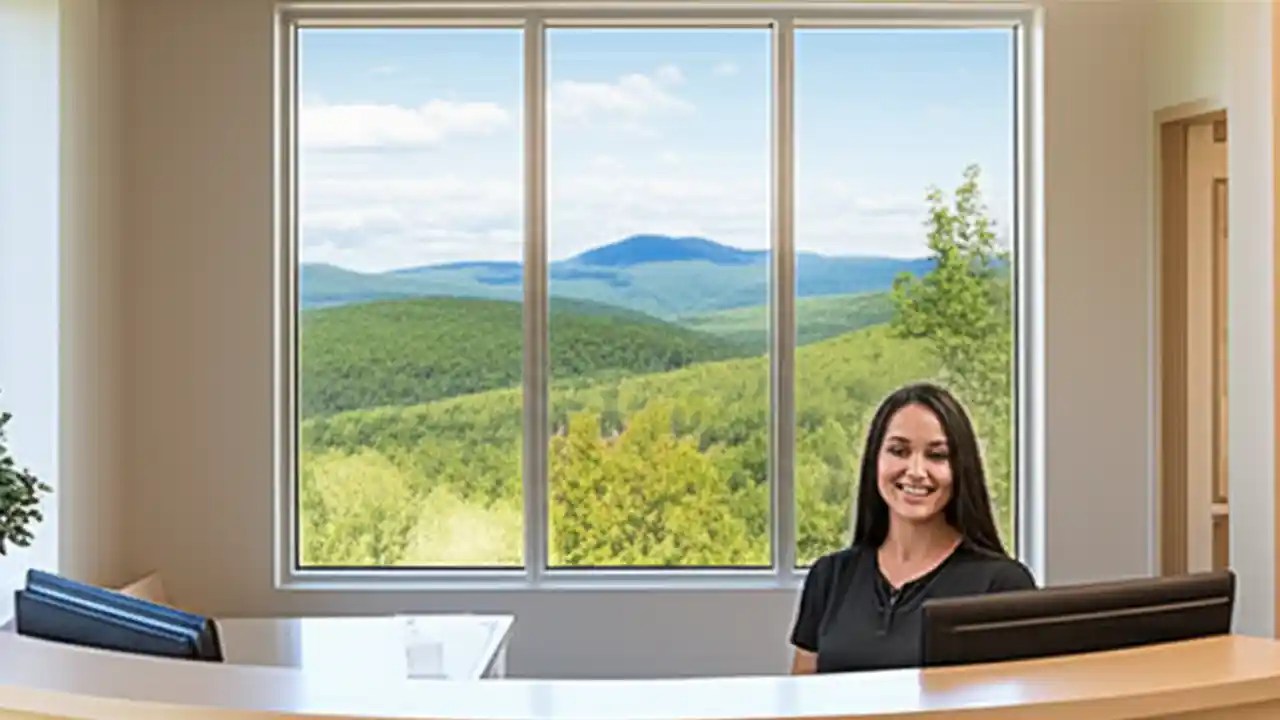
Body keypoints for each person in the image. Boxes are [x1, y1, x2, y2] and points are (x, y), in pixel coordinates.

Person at [790, 382, 1035, 674]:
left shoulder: (1001, 585)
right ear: (875, 460)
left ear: (961, 468)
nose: (916, 471)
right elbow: (800, 710)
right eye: (898, 451)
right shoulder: (829, 578)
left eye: (937, 455)